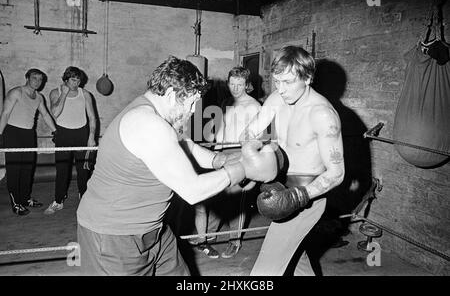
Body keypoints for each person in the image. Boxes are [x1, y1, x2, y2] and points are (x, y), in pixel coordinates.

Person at [76, 56, 281, 276]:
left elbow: (187, 146)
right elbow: (193, 190)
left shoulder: (161, 117)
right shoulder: (147, 123)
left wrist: (220, 160)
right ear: (173, 94)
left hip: (154, 232)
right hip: (113, 236)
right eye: (191, 102)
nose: (194, 110)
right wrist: (245, 168)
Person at [241, 46, 345, 276]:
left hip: (308, 196)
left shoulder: (322, 114)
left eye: (288, 82)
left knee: (265, 271)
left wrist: (298, 197)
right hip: (279, 186)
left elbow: (337, 173)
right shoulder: (276, 99)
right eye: (277, 81)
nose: (281, 89)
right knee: (296, 258)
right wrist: (261, 155)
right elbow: (249, 133)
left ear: (307, 77)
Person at [193, 66, 261, 259]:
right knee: (216, 194)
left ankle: (234, 240)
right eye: (232, 84)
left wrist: (250, 159)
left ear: (247, 85)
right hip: (222, 152)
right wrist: (213, 154)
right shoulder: (225, 102)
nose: (236, 88)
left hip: (241, 154)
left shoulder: (255, 106)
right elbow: (221, 130)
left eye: (240, 84)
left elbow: (259, 137)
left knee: (237, 200)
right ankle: (211, 234)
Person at [0, 68, 56, 215]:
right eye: (34, 78)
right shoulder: (16, 92)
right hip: (12, 133)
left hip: (28, 134)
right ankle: (16, 203)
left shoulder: (39, 97)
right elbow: (5, 113)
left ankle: (25, 198)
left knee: (27, 168)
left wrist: (56, 131)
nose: (37, 81)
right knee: (14, 170)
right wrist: (0, 134)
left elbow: (45, 114)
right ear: (27, 78)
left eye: (40, 79)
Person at [44, 66, 97, 215]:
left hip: (82, 133)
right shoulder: (56, 92)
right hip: (63, 134)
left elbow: (92, 117)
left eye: (78, 79)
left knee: (83, 170)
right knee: (62, 170)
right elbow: (55, 113)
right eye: (73, 79)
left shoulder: (85, 94)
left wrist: (91, 137)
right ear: (66, 79)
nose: (76, 82)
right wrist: (64, 94)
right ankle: (58, 200)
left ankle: (84, 198)